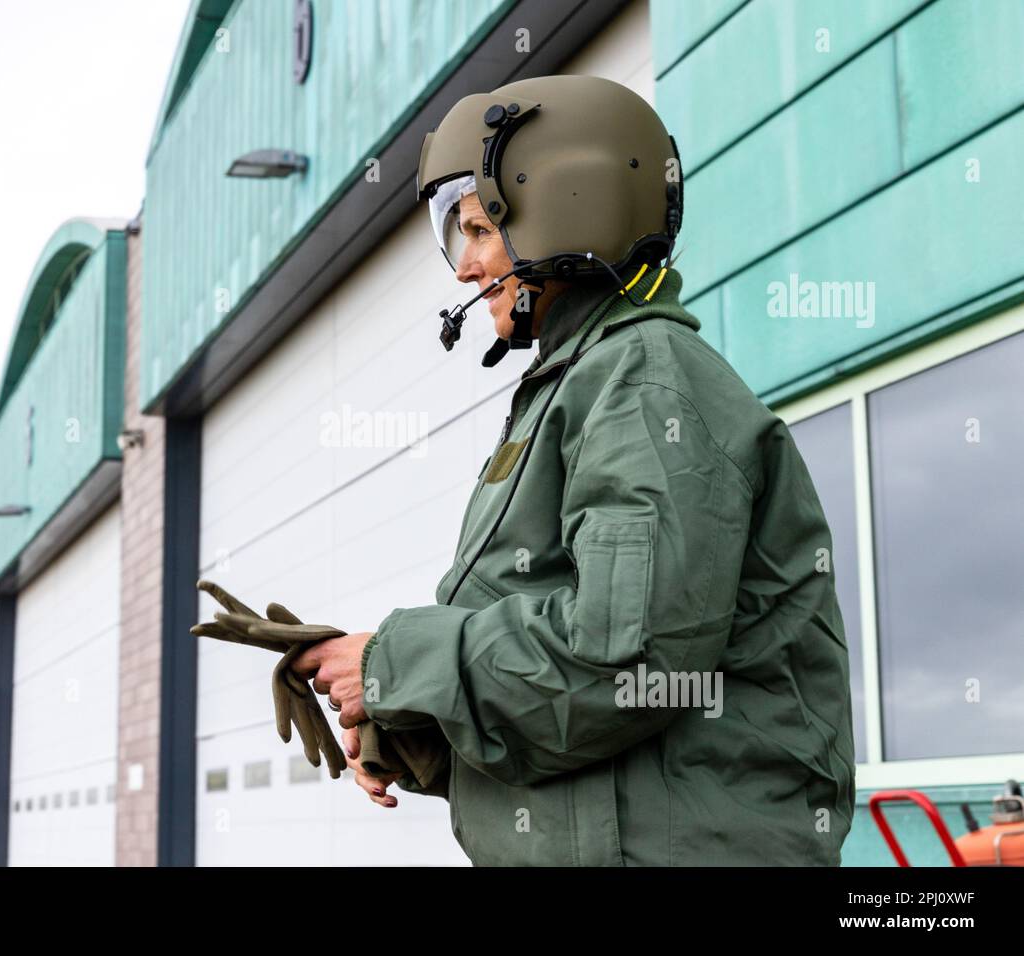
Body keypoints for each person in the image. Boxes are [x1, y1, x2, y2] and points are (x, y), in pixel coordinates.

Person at [292, 74, 855, 865]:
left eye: (481, 231)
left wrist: (393, 660)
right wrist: (401, 719)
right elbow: (570, 711)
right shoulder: (588, 382)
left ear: (567, 207)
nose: (464, 267)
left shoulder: (644, 381)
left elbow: (626, 658)